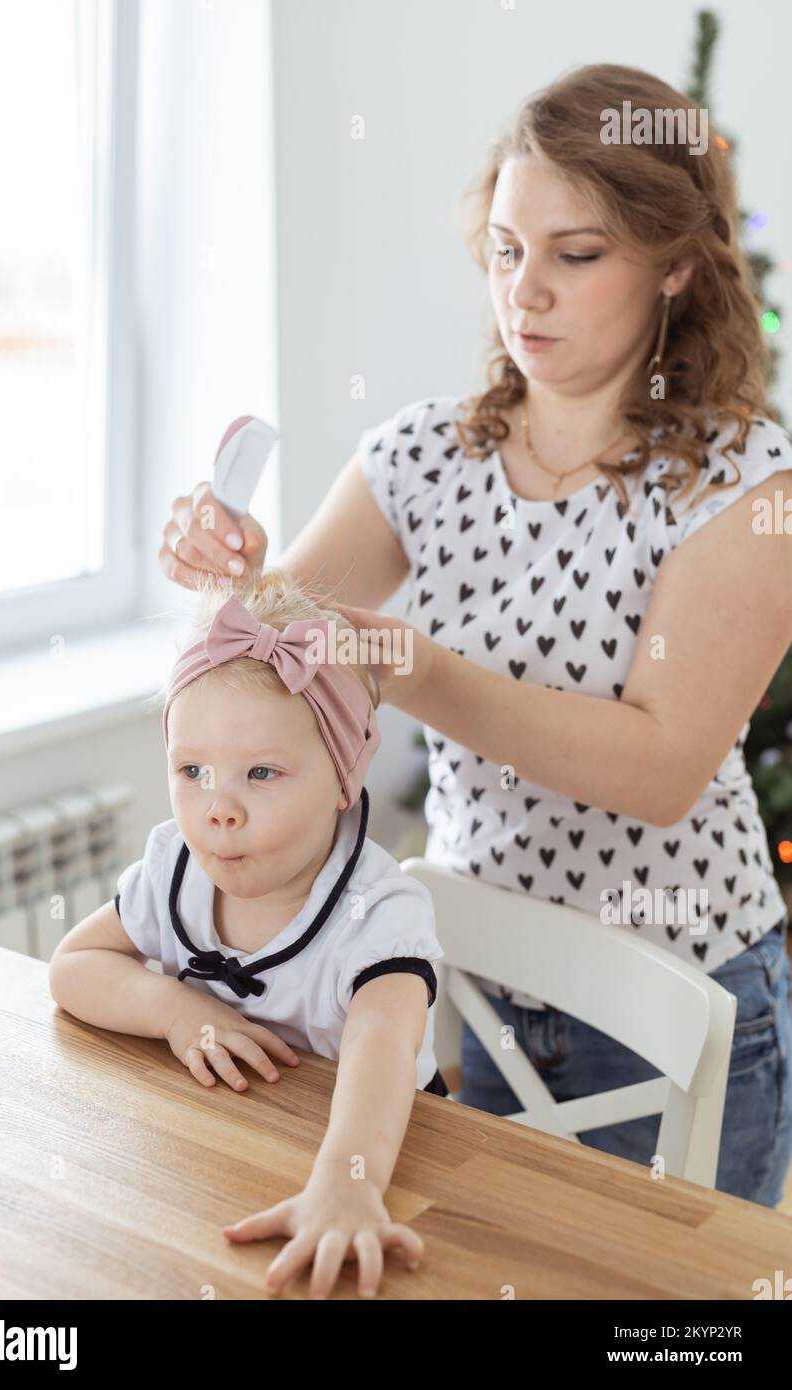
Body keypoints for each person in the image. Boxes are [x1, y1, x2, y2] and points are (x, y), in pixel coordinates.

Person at [158, 64, 792, 1207]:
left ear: (676, 266)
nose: (525, 291)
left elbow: (657, 767)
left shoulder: (743, 486)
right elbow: (272, 658)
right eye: (504, 249)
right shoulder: (423, 456)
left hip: (683, 1001)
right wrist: (235, 578)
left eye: (575, 253)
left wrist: (419, 673)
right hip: (479, 984)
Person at [49, 571, 448, 1299]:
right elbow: (73, 965)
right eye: (192, 771)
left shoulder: (380, 912)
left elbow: (381, 1047)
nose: (218, 810)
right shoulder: (177, 868)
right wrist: (177, 1010)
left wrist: (346, 1185)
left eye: (261, 773)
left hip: (385, 1164)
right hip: (226, 1158)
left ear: (343, 779)